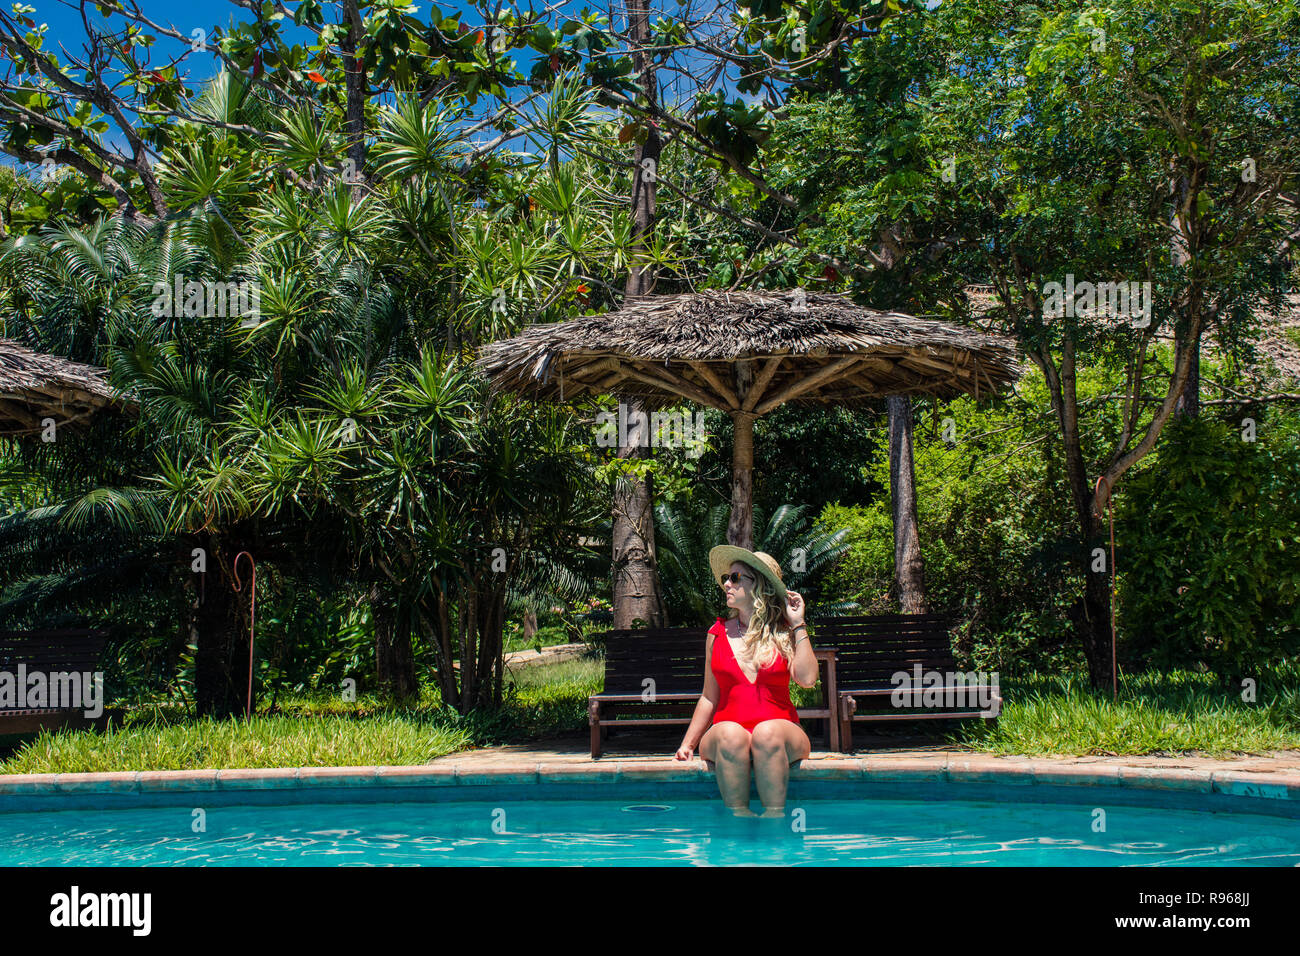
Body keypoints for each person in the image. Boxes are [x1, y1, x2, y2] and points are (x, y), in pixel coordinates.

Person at [674, 545, 819, 817]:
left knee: (767, 733)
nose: (727, 584)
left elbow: (808, 679)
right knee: (731, 733)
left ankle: (774, 826)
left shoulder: (785, 632)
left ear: (759, 586)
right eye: (726, 579)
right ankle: (738, 823)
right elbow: (709, 696)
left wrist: (798, 624)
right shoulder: (716, 634)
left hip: (781, 732)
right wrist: (687, 745)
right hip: (726, 734)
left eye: (736, 578)